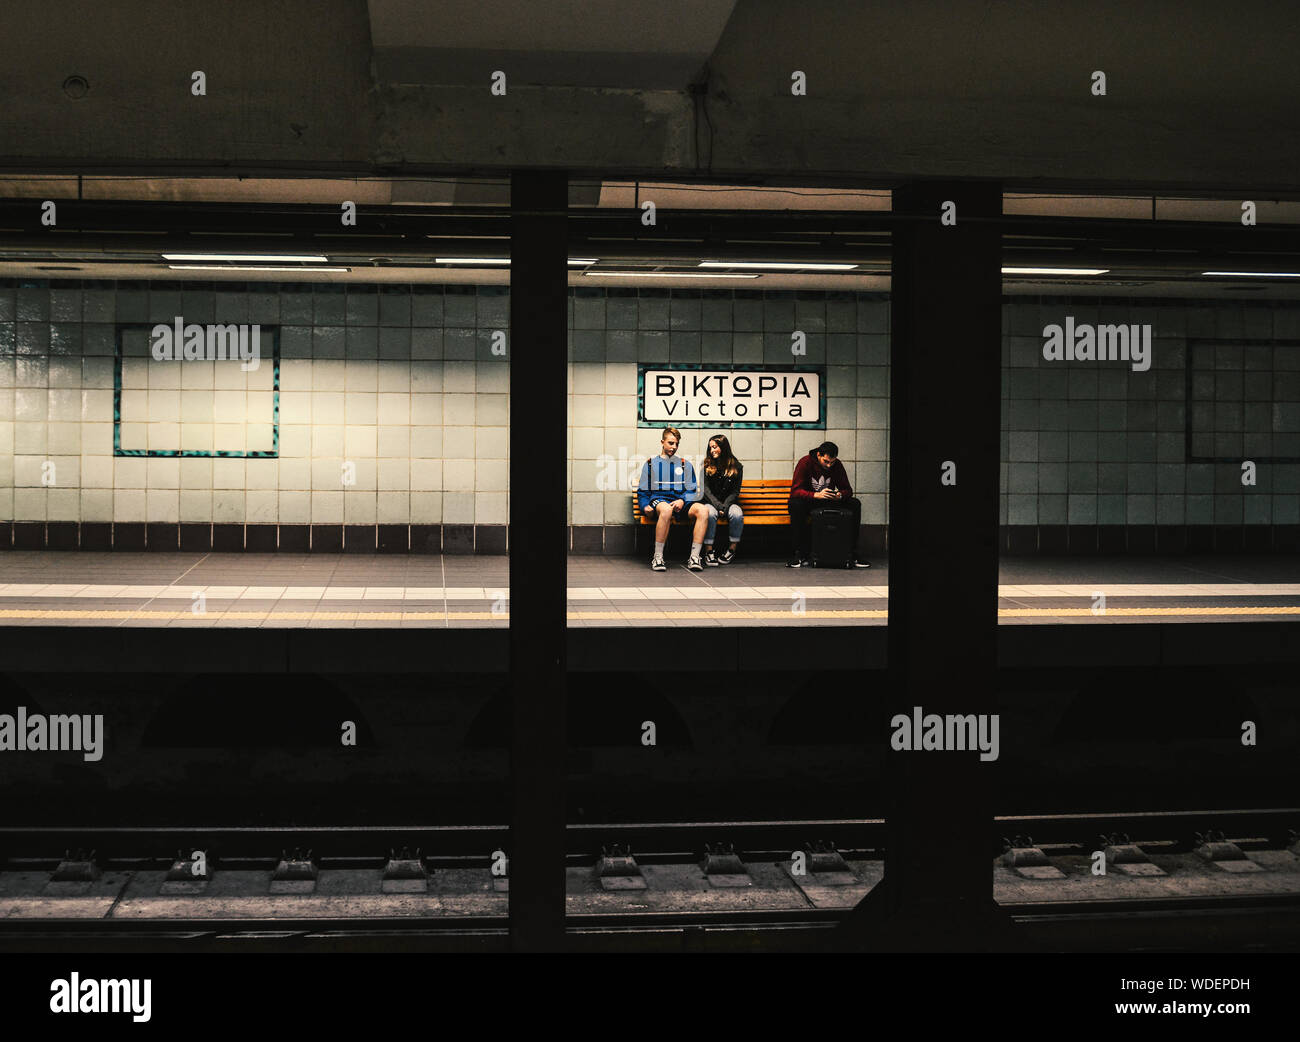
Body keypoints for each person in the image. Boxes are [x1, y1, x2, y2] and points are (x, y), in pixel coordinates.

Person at [636, 427, 710, 571]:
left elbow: (691, 489)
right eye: (670, 443)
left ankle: (694, 557)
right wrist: (645, 506)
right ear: (662, 442)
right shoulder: (651, 464)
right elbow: (643, 490)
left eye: (676, 444)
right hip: (660, 500)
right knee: (666, 510)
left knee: (703, 510)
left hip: (681, 503)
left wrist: (682, 500)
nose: (674, 447)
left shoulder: (684, 464)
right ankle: (658, 557)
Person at [787, 441, 871, 568]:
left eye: (832, 462)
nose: (829, 465)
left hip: (828, 500)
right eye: (826, 461)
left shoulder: (837, 465)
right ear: (819, 455)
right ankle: (799, 554)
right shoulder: (805, 462)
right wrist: (815, 495)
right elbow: (795, 491)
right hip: (810, 501)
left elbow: (847, 490)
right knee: (795, 505)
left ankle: (852, 553)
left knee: (854, 504)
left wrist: (839, 495)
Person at [700, 434, 744, 565]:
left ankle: (732, 549)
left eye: (715, 447)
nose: (712, 450)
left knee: (737, 514)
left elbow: (735, 491)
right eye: (710, 448)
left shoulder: (737, 466)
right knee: (710, 513)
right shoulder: (707, 465)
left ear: (723, 447)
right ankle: (709, 551)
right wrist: (719, 506)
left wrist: (725, 506)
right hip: (711, 502)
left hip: (729, 503)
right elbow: (705, 490)